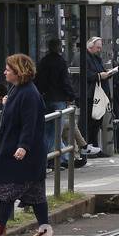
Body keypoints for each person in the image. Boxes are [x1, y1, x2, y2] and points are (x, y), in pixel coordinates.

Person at [0, 54, 51, 236]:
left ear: (18, 72)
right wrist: (7, 103)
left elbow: (30, 123)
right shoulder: (18, 89)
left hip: (24, 153)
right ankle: (42, 230)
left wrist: (23, 146)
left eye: (8, 70)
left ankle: (0, 227)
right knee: (34, 193)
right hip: (20, 151)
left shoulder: (29, 93)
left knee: (9, 185)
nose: (5, 72)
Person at [36, 38, 82, 168]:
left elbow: (38, 80)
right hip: (58, 99)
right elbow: (65, 81)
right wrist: (71, 95)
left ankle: (62, 158)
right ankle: (52, 159)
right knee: (56, 131)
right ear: (58, 48)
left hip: (46, 98)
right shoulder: (60, 62)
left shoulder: (43, 62)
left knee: (48, 130)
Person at [83, 37, 117, 157]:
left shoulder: (96, 58)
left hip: (99, 94)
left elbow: (100, 71)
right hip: (91, 95)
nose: (99, 50)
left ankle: (95, 147)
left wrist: (108, 73)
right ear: (90, 47)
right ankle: (90, 148)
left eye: (100, 48)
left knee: (97, 122)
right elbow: (86, 74)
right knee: (91, 122)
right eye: (98, 47)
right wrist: (98, 75)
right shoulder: (85, 57)